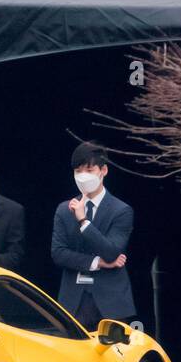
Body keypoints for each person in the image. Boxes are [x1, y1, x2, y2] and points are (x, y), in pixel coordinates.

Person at [49, 141, 136, 329]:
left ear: (103, 170)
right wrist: (98, 263)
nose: (83, 176)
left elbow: (112, 251)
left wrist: (84, 221)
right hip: (73, 301)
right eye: (78, 171)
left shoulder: (121, 210)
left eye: (89, 170)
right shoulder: (64, 209)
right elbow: (58, 253)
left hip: (111, 302)